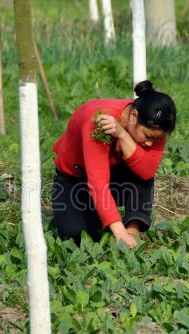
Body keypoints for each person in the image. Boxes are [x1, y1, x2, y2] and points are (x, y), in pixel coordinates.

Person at [52, 80, 177, 248]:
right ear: (133, 117)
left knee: (141, 172)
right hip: (75, 179)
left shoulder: (155, 129)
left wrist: (122, 135)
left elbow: (147, 171)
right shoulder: (99, 122)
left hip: (115, 174)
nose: (150, 144)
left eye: (158, 139)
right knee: (76, 236)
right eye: (147, 136)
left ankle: (132, 232)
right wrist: (118, 232)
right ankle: (106, 222)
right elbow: (97, 183)